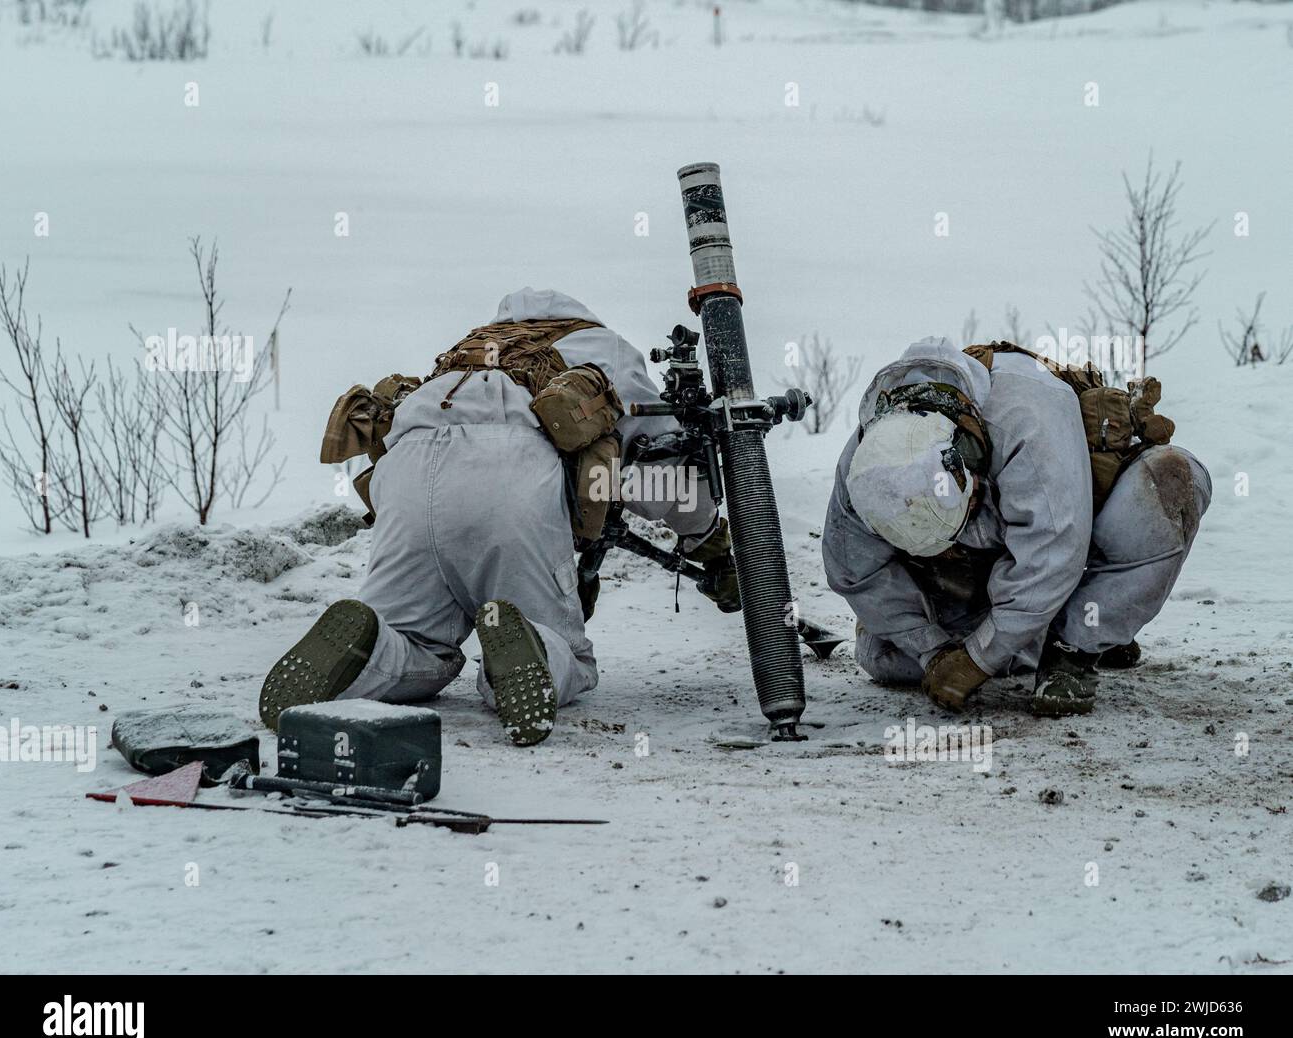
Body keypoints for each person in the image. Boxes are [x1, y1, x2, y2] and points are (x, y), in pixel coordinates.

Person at [259, 288, 734, 746]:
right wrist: (706, 539)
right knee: (567, 654)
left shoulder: (473, 347)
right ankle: (535, 647)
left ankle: (363, 656)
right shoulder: (603, 346)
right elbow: (660, 472)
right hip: (511, 473)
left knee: (417, 644)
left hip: (403, 475)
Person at [822, 336, 1210, 715]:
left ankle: (1073, 646)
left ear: (967, 457)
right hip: (975, 576)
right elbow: (854, 569)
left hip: (1065, 544)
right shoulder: (865, 468)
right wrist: (932, 651)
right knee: (887, 658)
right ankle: (1036, 633)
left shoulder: (1028, 419)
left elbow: (1053, 555)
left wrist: (977, 660)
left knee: (1172, 480)